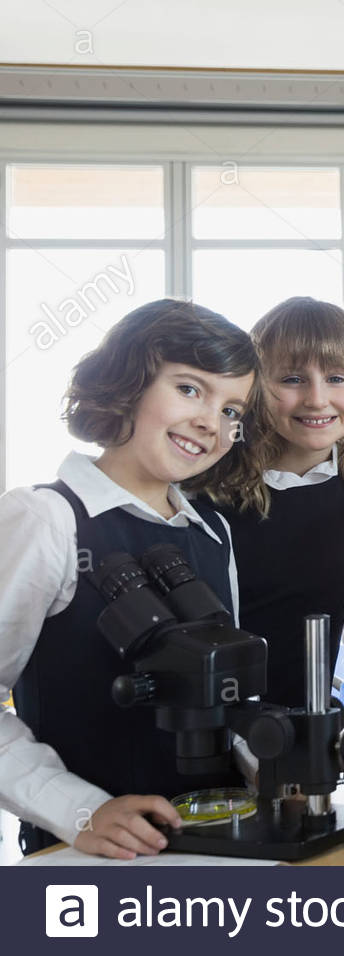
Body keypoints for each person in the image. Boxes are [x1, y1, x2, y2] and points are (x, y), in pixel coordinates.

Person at [0, 299, 259, 858]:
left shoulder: (213, 532)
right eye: (190, 389)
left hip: (212, 836)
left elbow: (222, 694)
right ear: (130, 383)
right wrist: (80, 809)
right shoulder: (48, 518)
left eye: (233, 409)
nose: (210, 423)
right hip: (95, 853)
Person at [192, 297, 344, 714]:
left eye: (336, 377)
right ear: (256, 387)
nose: (317, 399)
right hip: (208, 727)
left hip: (304, 727)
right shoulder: (207, 490)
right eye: (293, 379)